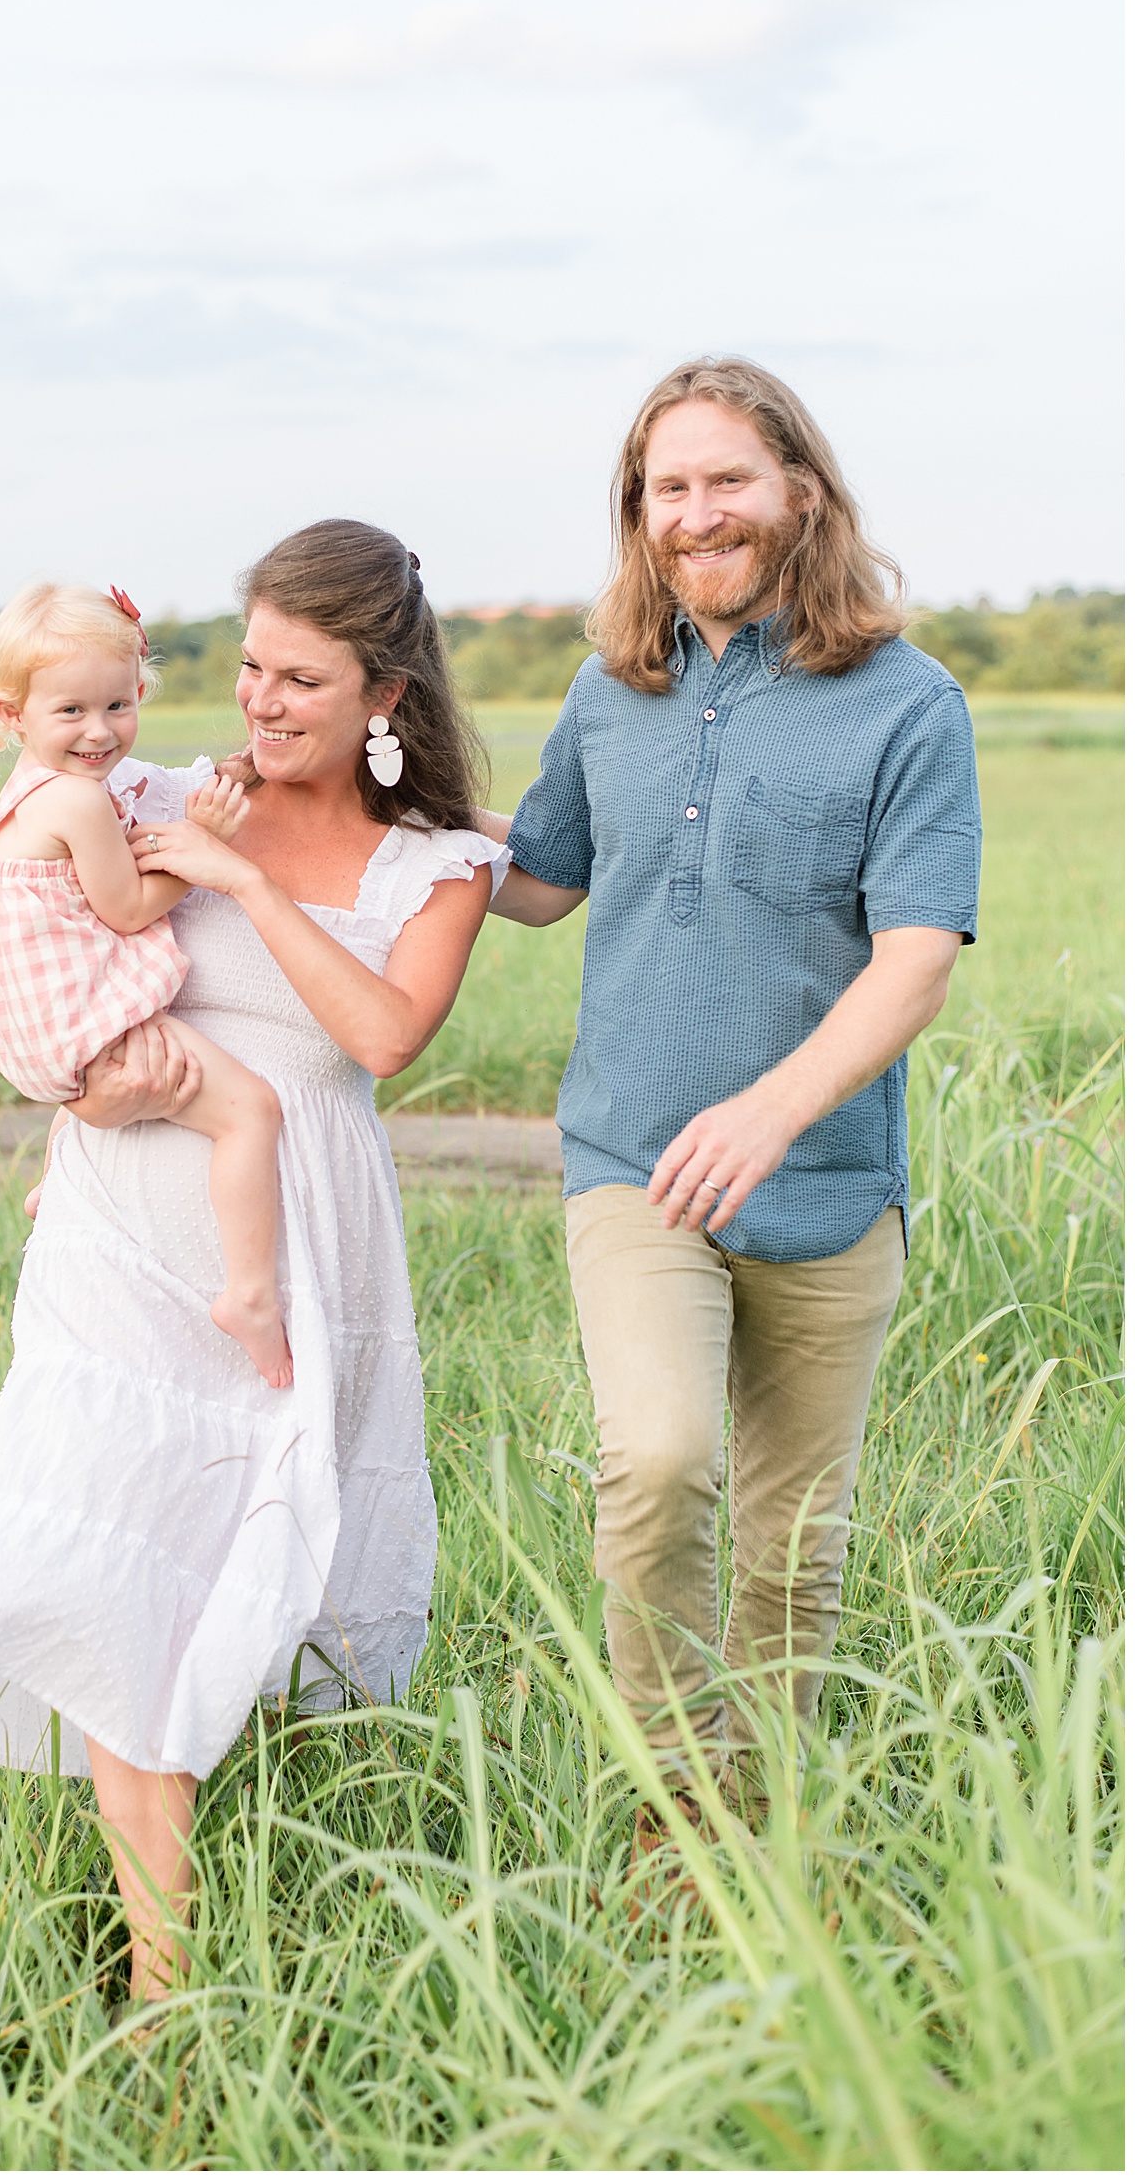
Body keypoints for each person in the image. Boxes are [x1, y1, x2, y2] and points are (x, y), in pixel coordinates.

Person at [0, 521, 507, 2007]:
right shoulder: (140, 789)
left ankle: (293, 1892)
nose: (262, 704)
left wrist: (246, 876)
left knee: (278, 1560)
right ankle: (170, 1974)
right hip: (124, 1236)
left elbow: (382, 1037)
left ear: (385, 694)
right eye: (247, 667)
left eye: (301, 679)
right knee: (121, 1558)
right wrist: (57, 1128)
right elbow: (56, 962)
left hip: (301, 1237)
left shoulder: (438, 863)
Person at [486, 357, 981, 1850]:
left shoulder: (909, 702)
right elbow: (533, 881)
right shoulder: (608, 685)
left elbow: (914, 965)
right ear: (638, 515)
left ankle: (767, 1832)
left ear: (801, 492)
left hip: (827, 1180)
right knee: (656, 1459)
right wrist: (355, 805)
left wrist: (772, 1108)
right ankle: (670, 1822)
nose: (697, 513)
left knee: (786, 1548)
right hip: (632, 1159)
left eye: (726, 480)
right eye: (668, 487)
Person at [0, 580, 292, 1388]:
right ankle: (249, 1293)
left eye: (118, 705)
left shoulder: (27, 793)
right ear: (13, 717)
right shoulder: (75, 801)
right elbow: (127, 908)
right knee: (252, 1112)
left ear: (140, 691)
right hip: (87, 1032)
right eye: (70, 712)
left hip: (40, 1029)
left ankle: (53, 1180)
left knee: (116, 1013)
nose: (99, 732)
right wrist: (203, 844)